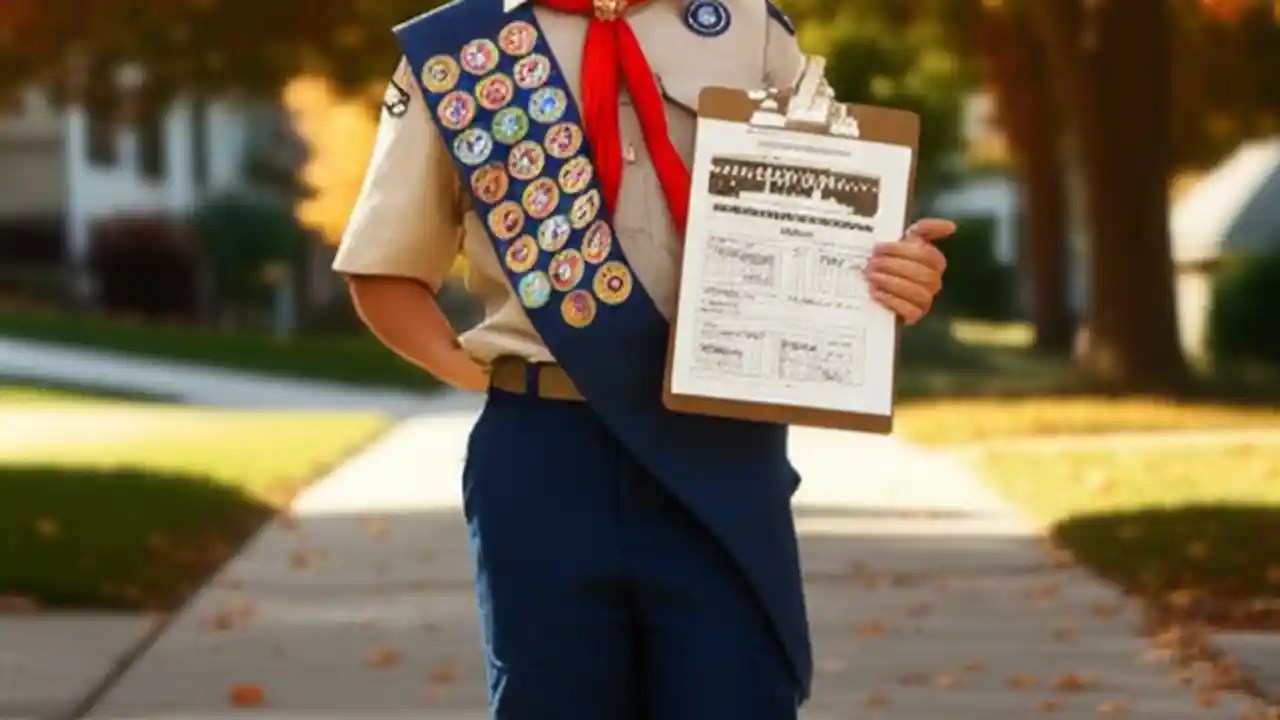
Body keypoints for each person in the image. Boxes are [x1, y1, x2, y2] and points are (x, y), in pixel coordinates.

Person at [334, 0, 954, 717]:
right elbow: (383, 271)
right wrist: (504, 377)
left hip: (718, 445)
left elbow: (832, 223)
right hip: (543, 456)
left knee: (740, 698)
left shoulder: (749, 27)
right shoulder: (462, 49)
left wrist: (894, 274)